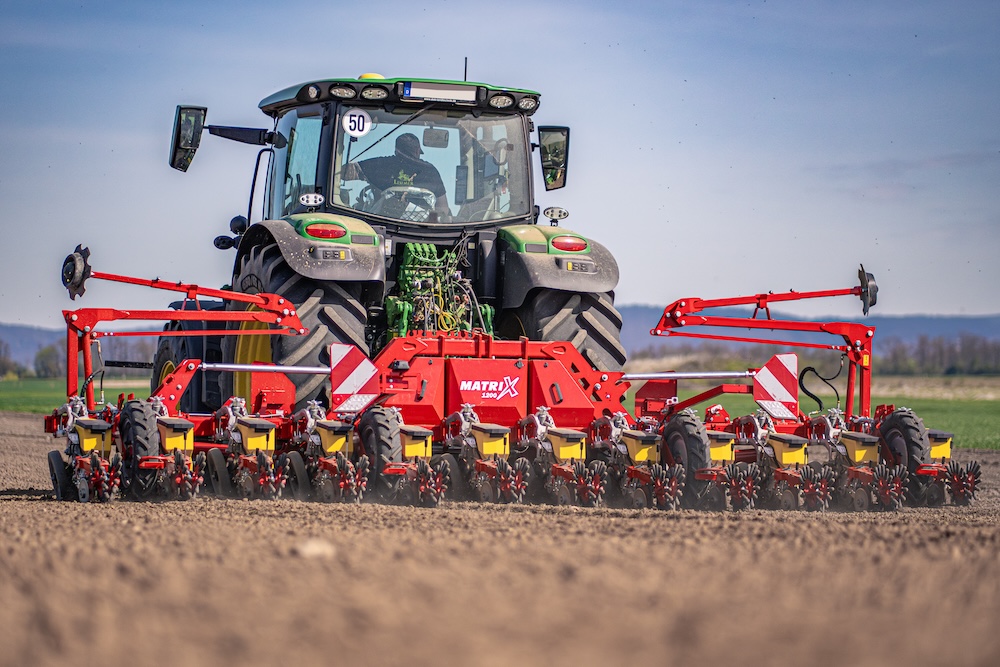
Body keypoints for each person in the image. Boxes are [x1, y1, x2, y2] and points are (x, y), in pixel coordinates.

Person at [345, 133, 451, 220]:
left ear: (396, 150)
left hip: (382, 225)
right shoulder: (430, 171)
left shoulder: (380, 165)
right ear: (417, 151)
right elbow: (443, 209)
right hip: (422, 230)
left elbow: (345, 172)